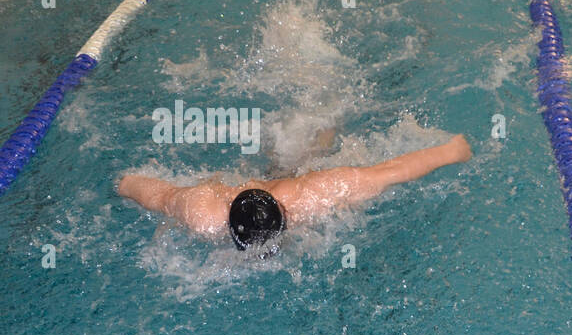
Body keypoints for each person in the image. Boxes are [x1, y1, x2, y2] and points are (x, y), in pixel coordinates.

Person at [118, 127, 471, 255]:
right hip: (239, 190)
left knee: (308, 154)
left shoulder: (311, 195)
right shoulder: (201, 212)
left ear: (286, 216)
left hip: (286, 184)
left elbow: (387, 172)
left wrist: (451, 151)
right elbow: (156, 194)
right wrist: (122, 183)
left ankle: (326, 121)